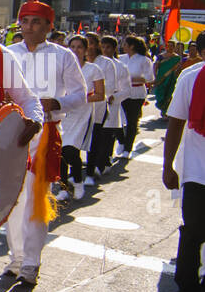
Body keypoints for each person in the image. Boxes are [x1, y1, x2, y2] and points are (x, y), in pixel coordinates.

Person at [4, 0, 88, 285]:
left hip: (45, 133)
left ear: (50, 27)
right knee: (11, 198)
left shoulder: (64, 56)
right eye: (25, 20)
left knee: (35, 198)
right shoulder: (6, 53)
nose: (29, 26)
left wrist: (57, 101)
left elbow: (81, 95)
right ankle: (15, 258)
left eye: (36, 21)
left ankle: (31, 262)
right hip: (10, 133)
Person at [162, 31, 205, 292]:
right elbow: (175, 124)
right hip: (197, 173)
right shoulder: (190, 78)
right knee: (193, 233)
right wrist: (169, 166)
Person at [59, 35, 105, 201]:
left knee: (70, 150)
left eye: (79, 47)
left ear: (86, 50)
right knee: (60, 151)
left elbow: (100, 95)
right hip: (63, 112)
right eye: (72, 46)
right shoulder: (62, 67)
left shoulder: (93, 69)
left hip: (82, 113)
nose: (75, 50)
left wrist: (80, 98)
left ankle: (78, 181)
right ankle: (63, 188)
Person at [78, 33, 112, 191]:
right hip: (75, 111)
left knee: (93, 140)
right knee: (74, 143)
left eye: (91, 43)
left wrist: (83, 97)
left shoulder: (104, 64)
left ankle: (90, 173)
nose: (89, 47)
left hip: (96, 109)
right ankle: (74, 174)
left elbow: (109, 88)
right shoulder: (73, 63)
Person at [117, 36, 153, 158]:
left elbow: (149, 78)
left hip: (136, 93)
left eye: (125, 44)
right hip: (121, 92)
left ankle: (128, 149)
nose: (123, 46)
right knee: (118, 119)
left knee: (132, 121)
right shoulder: (121, 59)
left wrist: (130, 79)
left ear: (132, 46)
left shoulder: (144, 60)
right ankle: (121, 141)